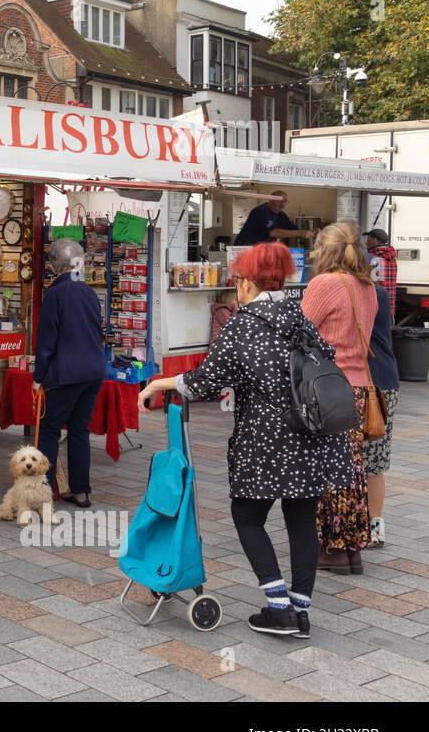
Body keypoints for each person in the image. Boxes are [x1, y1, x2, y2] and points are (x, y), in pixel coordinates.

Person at [138, 243, 352, 638]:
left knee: (248, 516)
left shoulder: (245, 323)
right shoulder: (298, 315)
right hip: (313, 435)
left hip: (269, 441)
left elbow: (204, 381)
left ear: (248, 283)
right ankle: (300, 612)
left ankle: (278, 607)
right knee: (301, 520)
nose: (236, 287)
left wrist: (160, 382)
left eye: (237, 280)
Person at [302, 222, 378, 575]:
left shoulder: (324, 284)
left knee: (327, 467)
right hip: (360, 388)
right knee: (351, 467)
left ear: (325, 250)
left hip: (329, 387)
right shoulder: (367, 287)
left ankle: (330, 547)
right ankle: (352, 550)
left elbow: (299, 331)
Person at [34, 239, 105, 507]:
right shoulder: (88, 292)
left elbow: (46, 341)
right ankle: (81, 491)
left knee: (49, 430)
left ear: (55, 266)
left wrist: (38, 377)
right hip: (93, 371)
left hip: (66, 373)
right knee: (79, 431)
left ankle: (42, 493)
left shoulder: (55, 294)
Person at [365, 282, 399, 549]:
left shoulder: (352, 291)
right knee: (375, 463)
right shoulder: (379, 291)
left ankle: (351, 525)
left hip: (364, 382)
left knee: (354, 460)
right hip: (385, 380)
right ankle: (375, 526)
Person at [233, 190, 315, 245]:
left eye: (285, 201)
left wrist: (312, 232)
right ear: (270, 200)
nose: (283, 204)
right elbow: (273, 232)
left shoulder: (281, 215)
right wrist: (300, 233)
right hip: (245, 248)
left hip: (262, 249)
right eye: (280, 200)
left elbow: (295, 230)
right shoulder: (261, 211)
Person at [364, 228, 398, 308]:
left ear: (374, 240)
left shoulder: (370, 258)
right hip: (389, 306)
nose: (366, 243)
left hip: (373, 306)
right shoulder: (391, 258)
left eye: (368, 239)